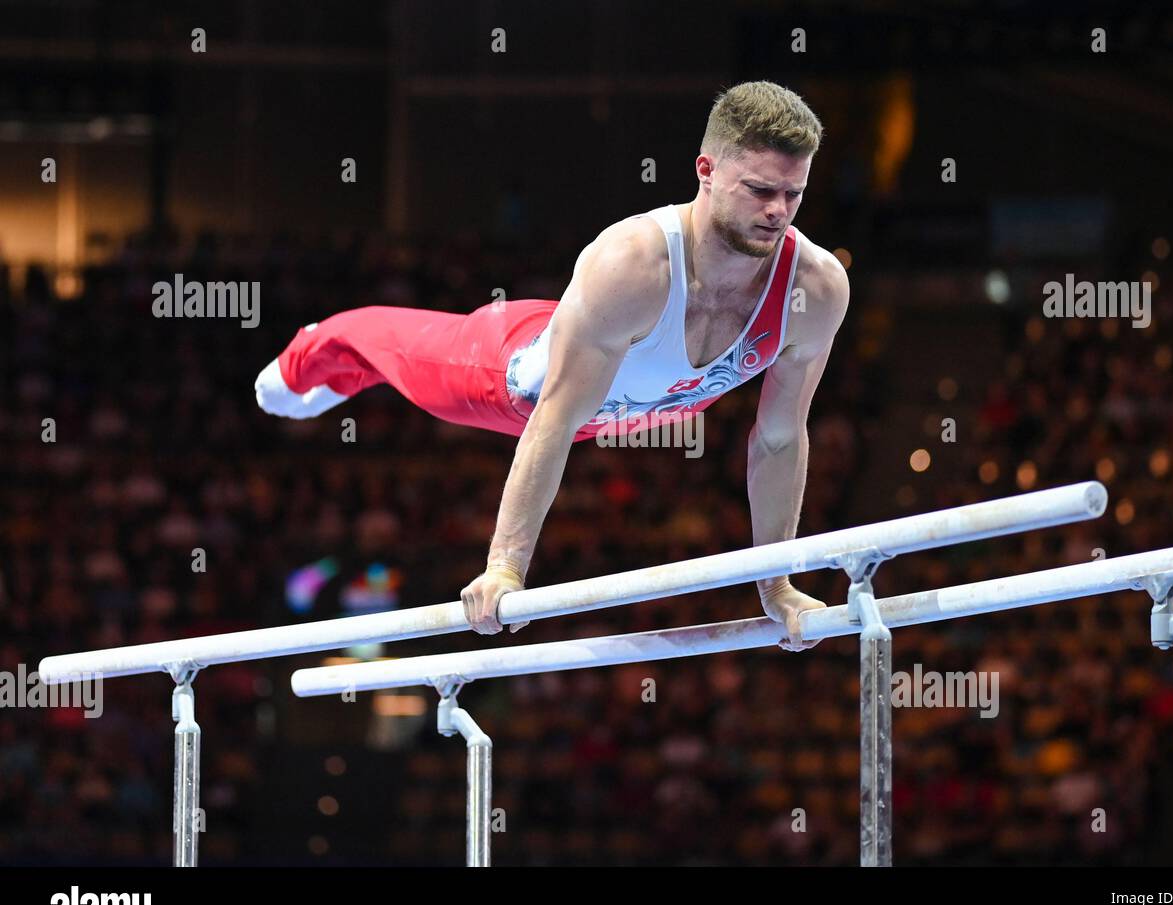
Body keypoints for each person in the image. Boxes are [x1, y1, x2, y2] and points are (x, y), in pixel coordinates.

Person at [254, 80, 849, 649]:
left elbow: (777, 437)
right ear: (707, 171)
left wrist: (777, 585)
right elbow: (555, 422)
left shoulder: (815, 290)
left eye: (793, 194)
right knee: (381, 342)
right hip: (519, 384)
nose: (778, 211)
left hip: (642, 397)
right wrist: (505, 568)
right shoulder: (633, 265)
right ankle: (310, 355)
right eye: (760, 190)